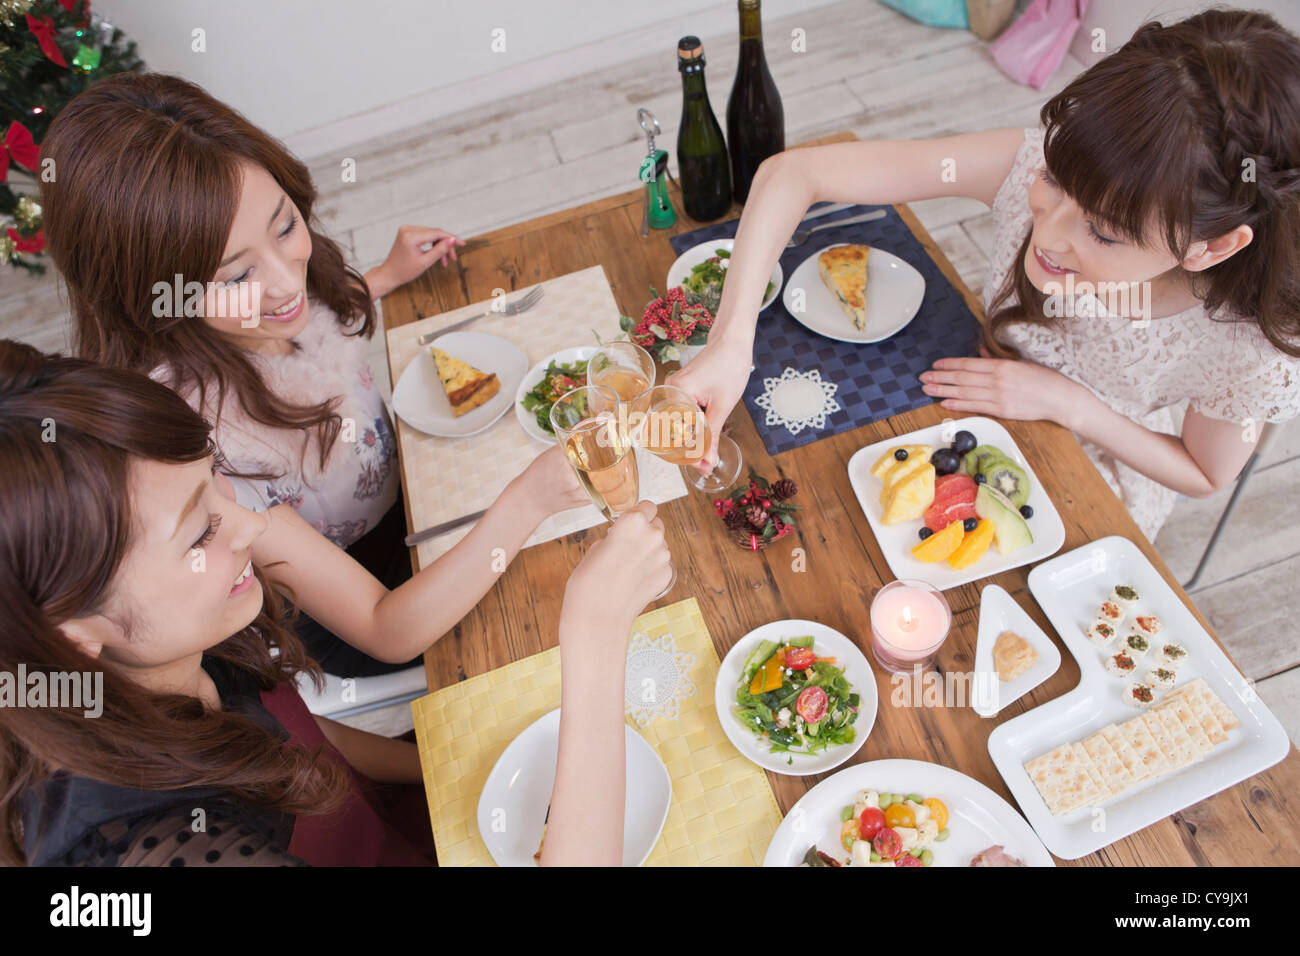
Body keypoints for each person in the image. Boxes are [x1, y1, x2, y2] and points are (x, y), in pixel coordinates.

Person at [0, 340, 670, 866]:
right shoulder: (156, 845)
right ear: (70, 636)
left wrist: (452, 780)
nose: (252, 527)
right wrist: (595, 634)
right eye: (198, 531)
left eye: (215, 483)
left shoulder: (177, 645)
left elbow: (304, 743)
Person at [669, 9, 1300, 541]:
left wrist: (1064, 402)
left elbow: (1205, 472)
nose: (1047, 235)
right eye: (1052, 178)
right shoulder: (1033, 163)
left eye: (1104, 233)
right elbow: (793, 173)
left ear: (1210, 249)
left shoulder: (1255, 347)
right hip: (964, 373)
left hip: (1098, 463)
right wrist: (731, 345)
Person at [36, 71, 573, 677]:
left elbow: (310, 320)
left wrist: (384, 277)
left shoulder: (265, 303)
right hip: (378, 594)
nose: (288, 282)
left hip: (416, 500)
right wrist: (530, 499)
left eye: (285, 225)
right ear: (149, 295)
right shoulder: (195, 451)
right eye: (235, 277)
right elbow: (384, 627)